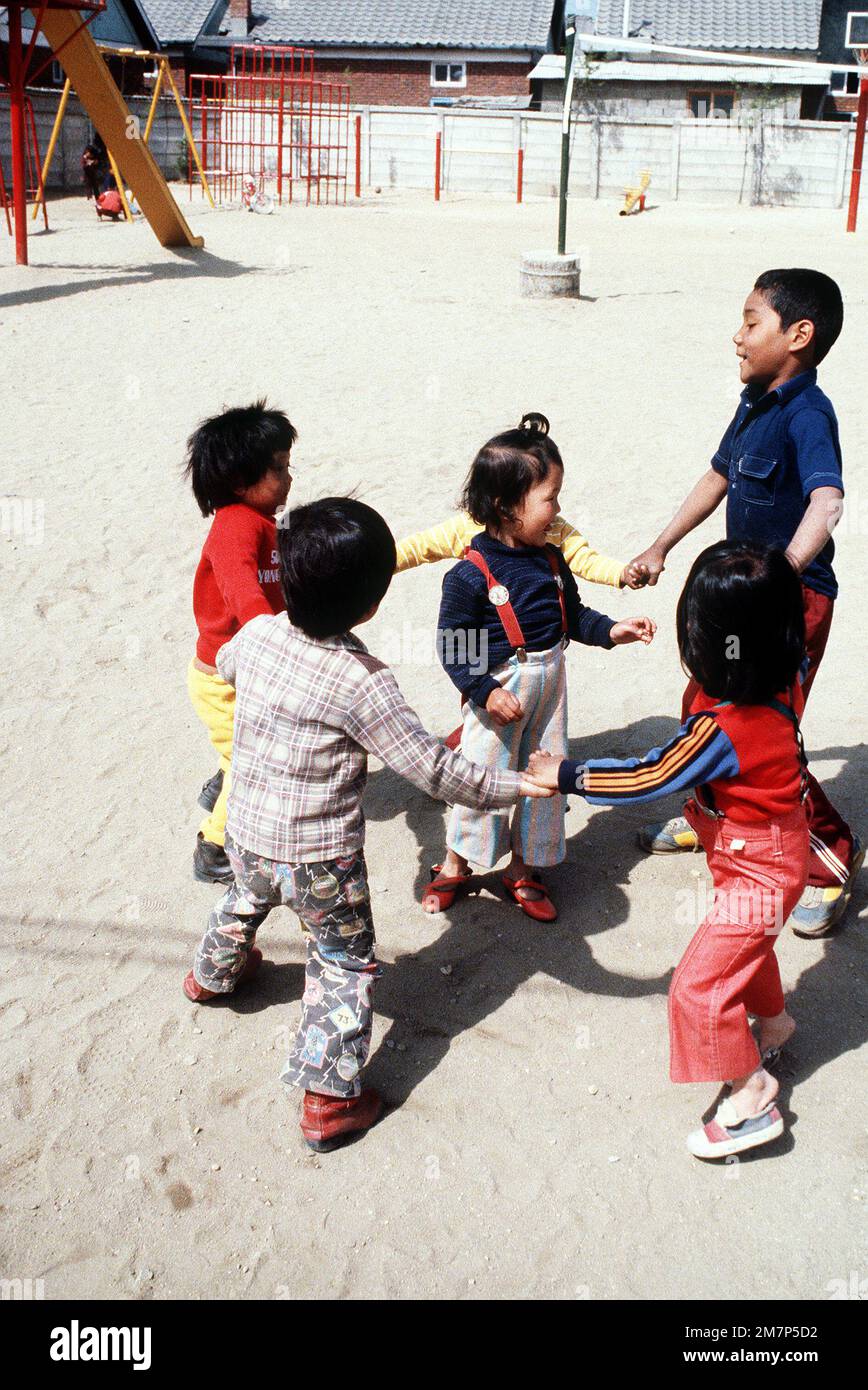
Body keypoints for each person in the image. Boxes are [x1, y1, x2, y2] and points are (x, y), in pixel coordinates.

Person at [182, 498, 551, 1153]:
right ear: (373, 602)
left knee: (243, 899)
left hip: (246, 829)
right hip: (320, 858)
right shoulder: (363, 682)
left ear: (285, 578)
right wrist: (517, 783)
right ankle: (328, 1100)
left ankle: (212, 975)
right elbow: (438, 772)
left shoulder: (259, 635)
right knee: (342, 962)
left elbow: (230, 665)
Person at [529, 541, 810, 1159]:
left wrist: (566, 774)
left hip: (758, 864)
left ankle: (753, 1094)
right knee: (745, 949)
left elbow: (648, 775)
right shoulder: (782, 676)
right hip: (760, 851)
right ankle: (777, 1024)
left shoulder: (726, 725)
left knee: (697, 988)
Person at [626, 268, 861, 936]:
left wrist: (783, 575)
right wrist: (661, 545)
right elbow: (719, 476)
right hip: (734, 605)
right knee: (702, 713)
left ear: (799, 334)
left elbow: (828, 501)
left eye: (751, 321)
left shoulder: (809, 413)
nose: (737, 336)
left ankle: (830, 860)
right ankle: (710, 821)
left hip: (789, 607)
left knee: (762, 739)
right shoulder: (755, 399)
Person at [427, 413, 655, 922]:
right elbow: (454, 646)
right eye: (549, 498)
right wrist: (483, 691)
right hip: (500, 694)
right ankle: (456, 864)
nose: (558, 510)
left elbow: (574, 618)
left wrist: (612, 631)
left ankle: (523, 869)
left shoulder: (551, 560)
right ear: (507, 507)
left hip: (550, 690)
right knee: (482, 780)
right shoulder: (469, 575)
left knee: (545, 780)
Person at [185, 401, 297, 885]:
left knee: (240, 746)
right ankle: (213, 847)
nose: (288, 478)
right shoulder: (234, 526)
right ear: (237, 482)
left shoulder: (267, 519)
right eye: (278, 469)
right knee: (249, 764)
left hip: (247, 667)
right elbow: (241, 588)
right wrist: (269, 635)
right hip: (227, 677)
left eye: (288, 465)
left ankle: (218, 782)